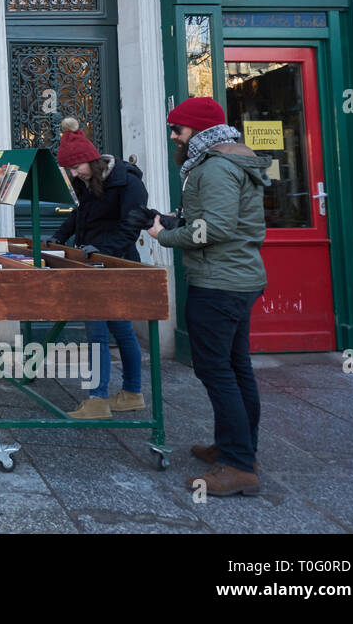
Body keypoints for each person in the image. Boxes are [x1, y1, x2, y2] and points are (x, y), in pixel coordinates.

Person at [148, 96, 269, 497]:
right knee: (235, 368)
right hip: (236, 278)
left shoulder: (215, 167)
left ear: (197, 132)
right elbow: (212, 220)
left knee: (217, 370)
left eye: (178, 130)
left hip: (219, 282)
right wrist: (172, 219)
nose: (172, 136)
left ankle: (237, 465)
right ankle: (239, 449)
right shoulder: (228, 160)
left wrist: (163, 235)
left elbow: (213, 229)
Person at [48, 118, 148, 419]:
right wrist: (60, 236)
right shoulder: (88, 181)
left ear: (89, 160)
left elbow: (132, 226)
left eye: (75, 168)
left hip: (115, 264)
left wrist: (103, 251)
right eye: (69, 170)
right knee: (120, 329)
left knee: (100, 332)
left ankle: (99, 398)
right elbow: (82, 215)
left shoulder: (128, 181)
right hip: (94, 262)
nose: (73, 174)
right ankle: (131, 393)